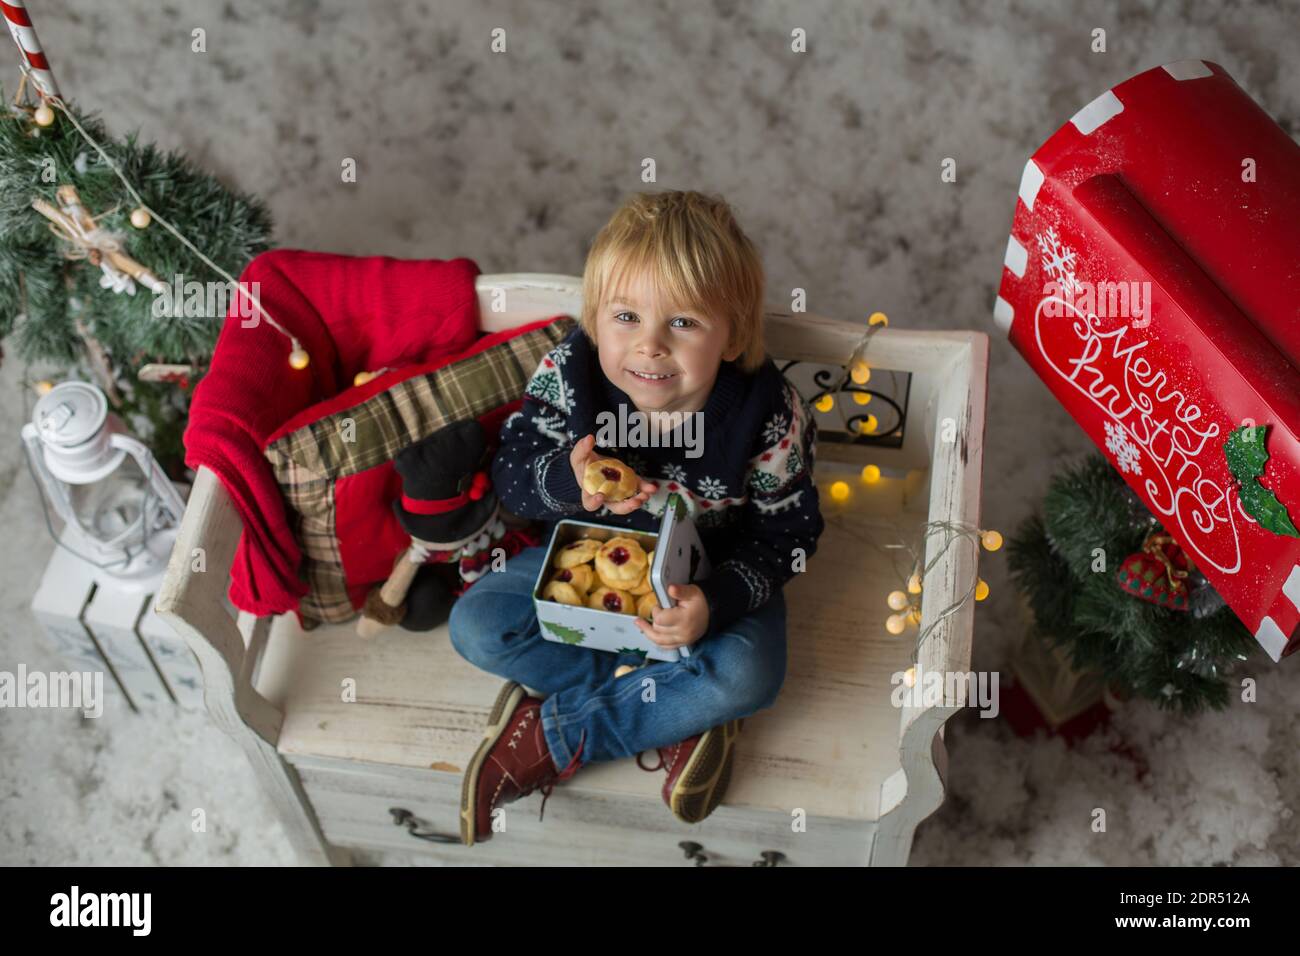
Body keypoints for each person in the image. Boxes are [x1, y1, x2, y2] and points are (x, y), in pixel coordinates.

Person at [449, 190, 825, 846]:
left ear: (731, 333)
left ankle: (553, 732)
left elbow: (790, 537)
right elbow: (512, 470)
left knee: (749, 674)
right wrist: (568, 480)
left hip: (712, 569)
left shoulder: (766, 415)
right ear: (595, 319)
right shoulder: (572, 376)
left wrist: (717, 600)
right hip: (586, 555)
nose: (649, 347)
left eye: (683, 323)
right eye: (626, 317)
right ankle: (677, 709)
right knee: (478, 627)